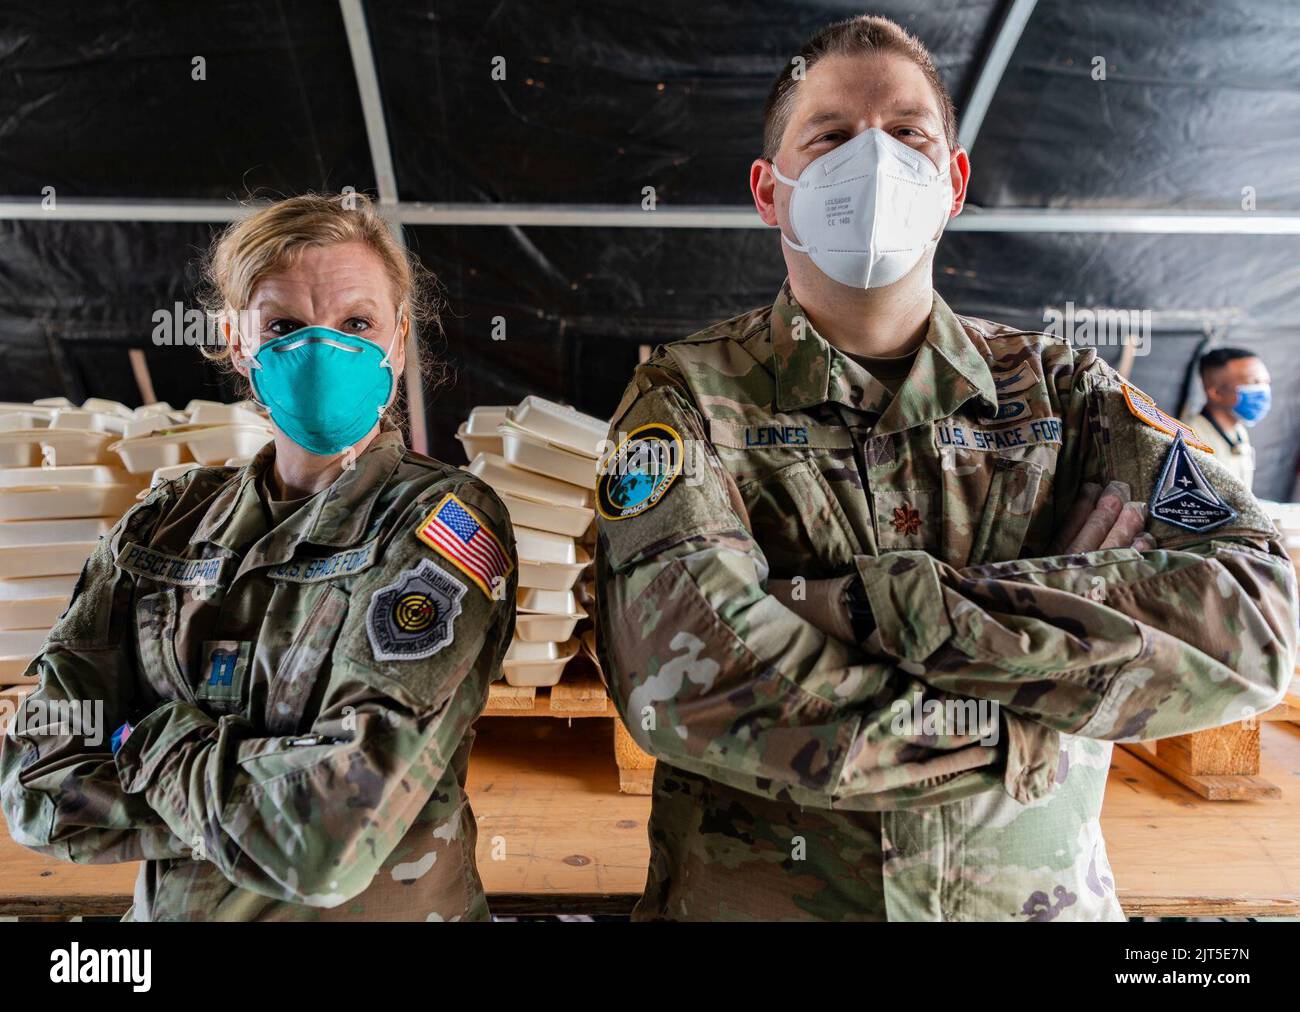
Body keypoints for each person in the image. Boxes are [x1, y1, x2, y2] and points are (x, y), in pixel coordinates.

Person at [594, 15, 1297, 921]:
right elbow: (685, 684)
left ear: (953, 181)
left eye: (908, 134)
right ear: (770, 193)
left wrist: (856, 607)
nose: (875, 160)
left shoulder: (1067, 395)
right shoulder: (685, 400)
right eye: (834, 137)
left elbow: (1255, 621)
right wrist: (1034, 704)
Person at [0, 193, 517, 921]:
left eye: (356, 324)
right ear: (237, 341)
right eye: (284, 326)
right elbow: (35, 782)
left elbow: (326, 843)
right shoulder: (164, 523)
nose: (320, 352)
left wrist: (142, 734)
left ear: (397, 343)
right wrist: (252, 798)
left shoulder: (440, 523)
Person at [1182, 347, 1271, 490]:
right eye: (1253, 382)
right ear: (1216, 393)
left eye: (1266, 382)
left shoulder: (1239, 431)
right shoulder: (1191, 439)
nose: (1263, 391)